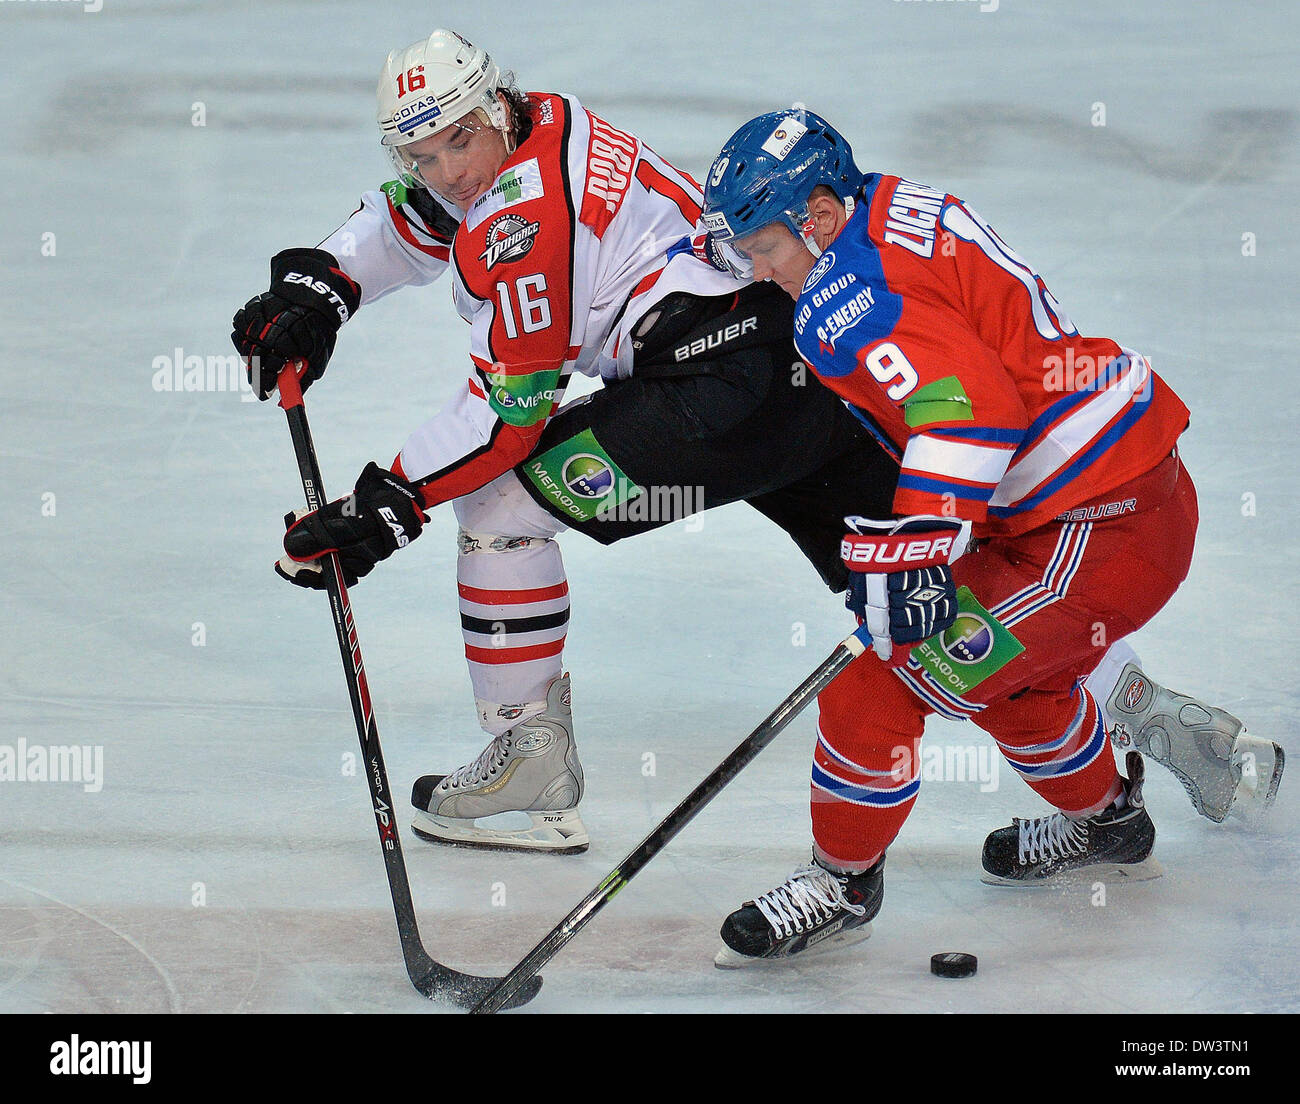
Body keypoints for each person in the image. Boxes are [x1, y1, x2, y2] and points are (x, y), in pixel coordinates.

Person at [231, 31, 900, 853]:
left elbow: (508, 419)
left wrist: (385, 508)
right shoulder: (536, 121)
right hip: (792, 365)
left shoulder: (525, 220)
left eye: (457, 143)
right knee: (928, 579)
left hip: (717, 392)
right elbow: (415, 221)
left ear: (490, 108)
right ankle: (1101, 740)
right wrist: (319, 288)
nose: (447, 172)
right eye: (421, 155)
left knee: (501, 504)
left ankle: (531, 763)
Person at [698, 108, 1282, 967]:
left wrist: (917, 553)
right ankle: (1107, 822)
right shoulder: (889, 205)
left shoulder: (843, 296)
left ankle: (843, 882)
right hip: (1111, 499)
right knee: (1015, 686)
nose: (753, 268)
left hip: (1100, 525)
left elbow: (969, 419)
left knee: (877, 689)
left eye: (763, 246)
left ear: (819, 217)